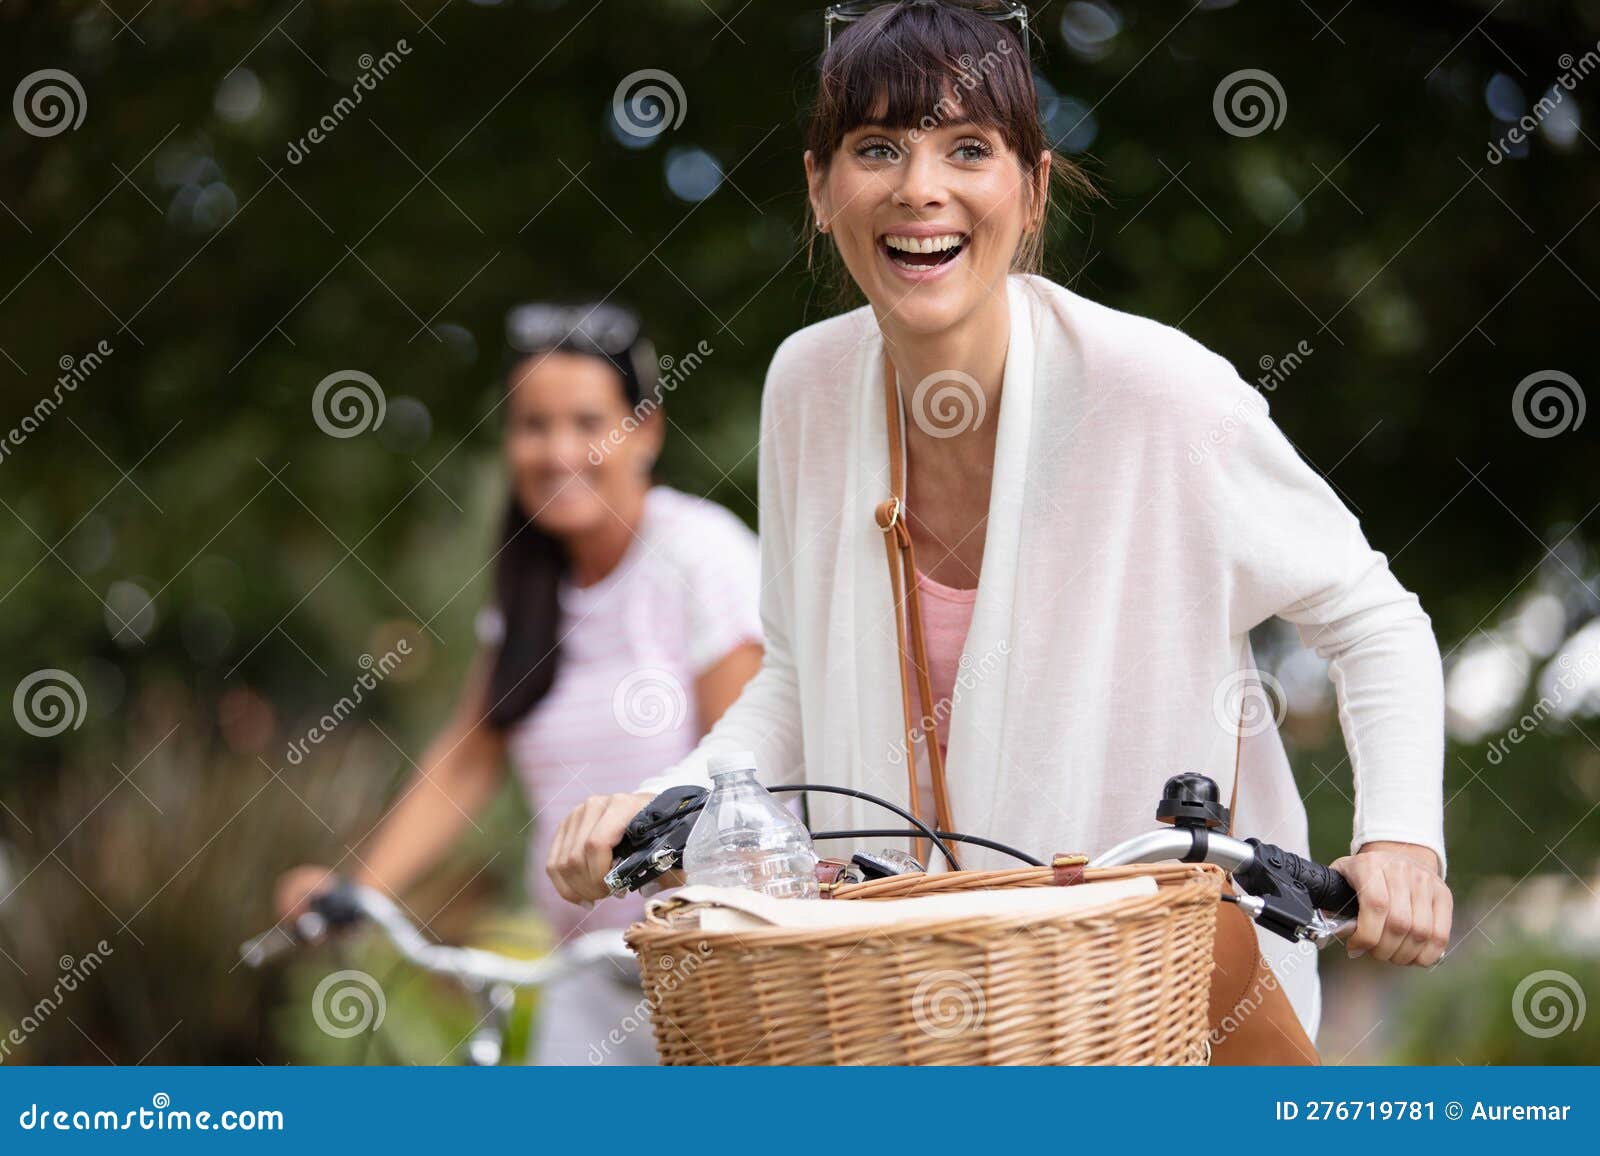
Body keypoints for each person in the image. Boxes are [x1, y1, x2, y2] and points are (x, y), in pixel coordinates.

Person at [546, 0, 1451, 1042]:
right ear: (819, 185)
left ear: (1031, 190)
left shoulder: (1156, 391)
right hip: (904, 1005)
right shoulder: (806, 384)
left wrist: (1399, 843)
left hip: (1156, 999)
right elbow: (791, 677)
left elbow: (1372, 618)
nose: (918, 187)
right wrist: (659, 800)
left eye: (966, 148)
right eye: (875, 146)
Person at [275, 302, 764, 1065]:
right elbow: (468, 758)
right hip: (585, 979)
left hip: (715, 977)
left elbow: (743, 763)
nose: (558, 448)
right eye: (533, 425)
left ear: (645, 432)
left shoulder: (702, 555)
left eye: (586, 422)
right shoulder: (530, 592)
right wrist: (361, 893)